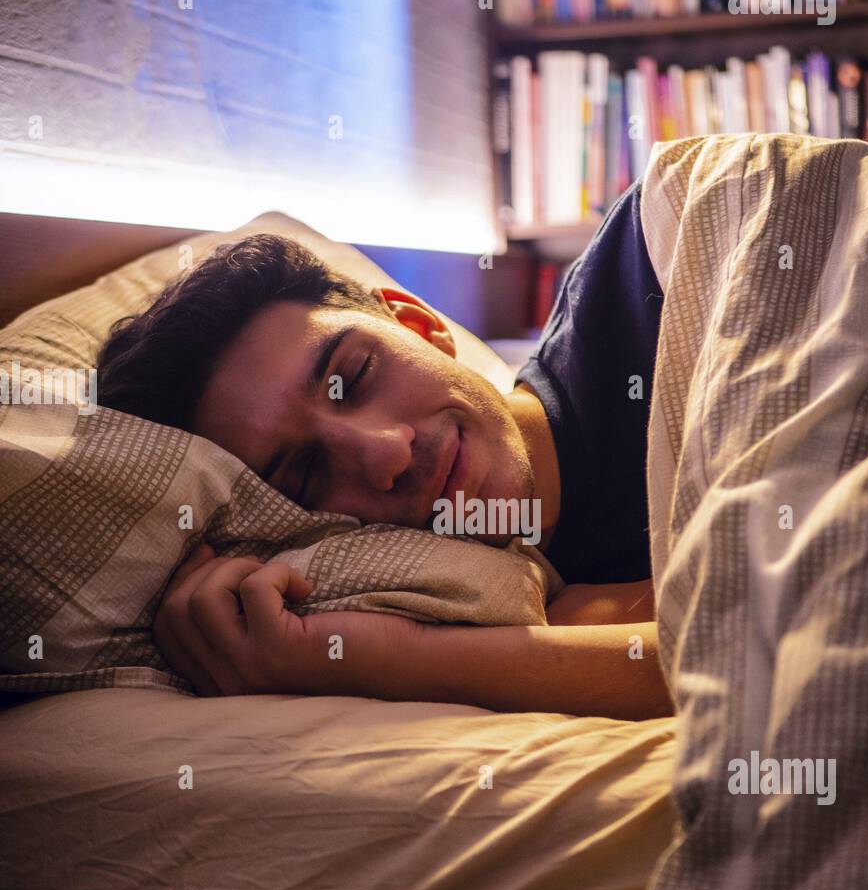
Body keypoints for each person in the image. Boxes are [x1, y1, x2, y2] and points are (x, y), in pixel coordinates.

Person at [96, 183, 670, 720]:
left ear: (420, 326)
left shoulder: (649, 261)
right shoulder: (521, 602)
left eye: (357, 373)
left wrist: (416, 660)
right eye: (306, 474)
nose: (387, 454)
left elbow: (757, 649)